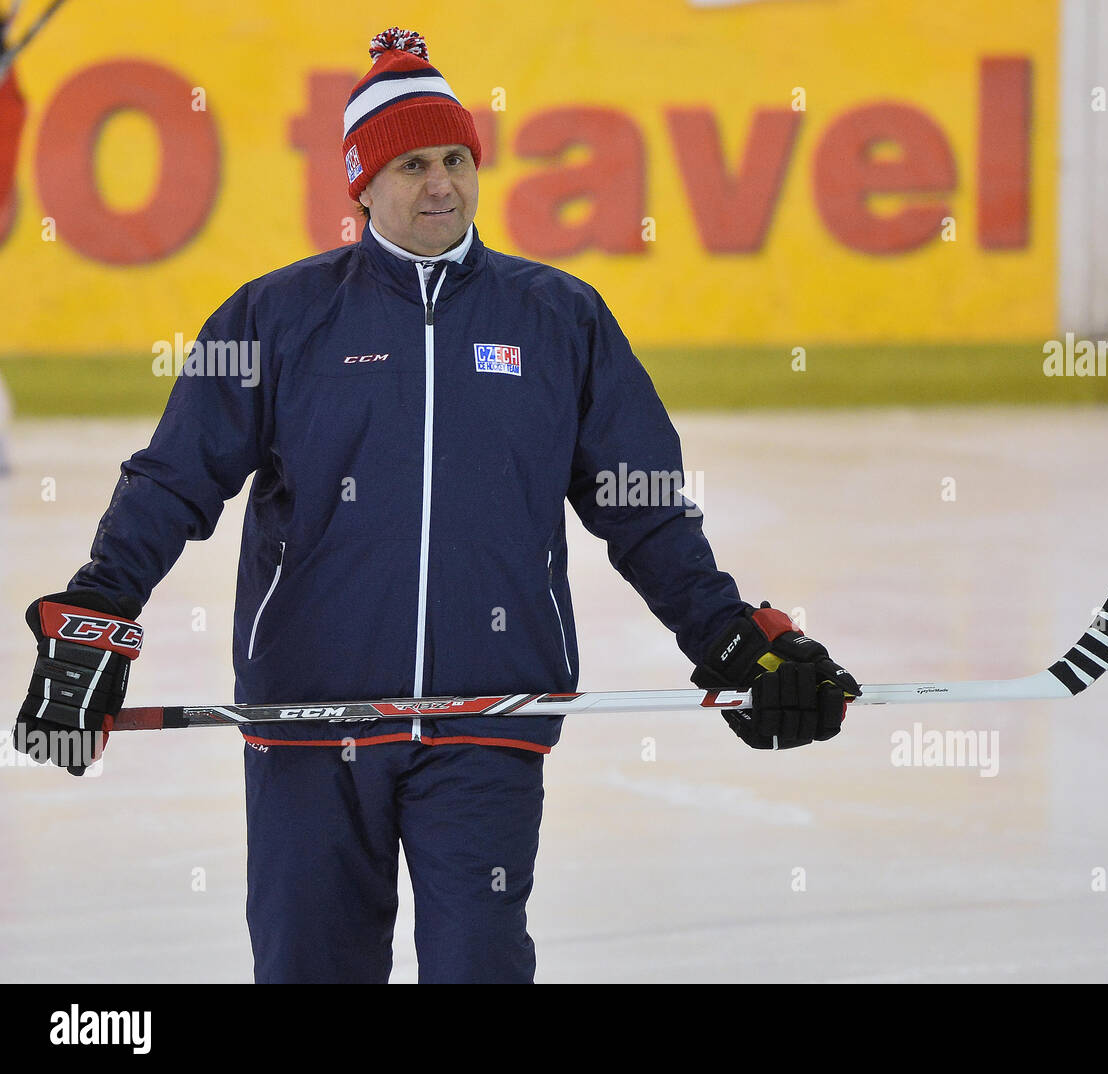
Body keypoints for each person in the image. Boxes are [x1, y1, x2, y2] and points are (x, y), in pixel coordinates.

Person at [13, 27, 860, 983]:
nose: (442, 185)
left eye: (457, 158)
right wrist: (98, 611)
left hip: (487, 712)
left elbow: (646, 507)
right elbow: (172, 481)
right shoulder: (272, 318)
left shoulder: (558, 318)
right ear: (361, 184)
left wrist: (732, 638)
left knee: (478, 967)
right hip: (310, 721)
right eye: (413, 163)